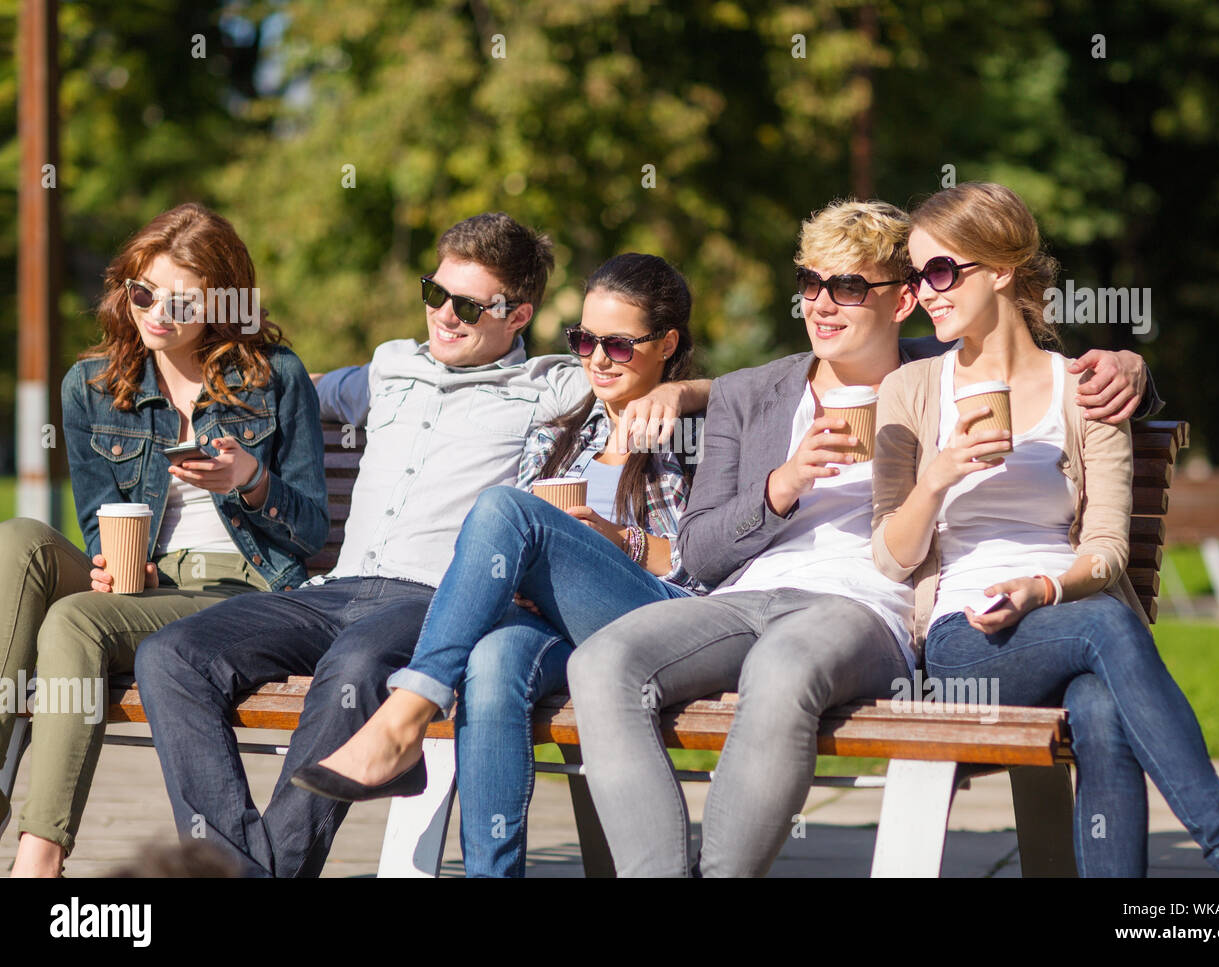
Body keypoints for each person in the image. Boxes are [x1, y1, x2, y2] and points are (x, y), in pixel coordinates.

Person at [565, 198, 1160, 876]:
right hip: (746, 596)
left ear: (905, 298)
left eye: (848, 286)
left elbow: (1038, 368)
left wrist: (1134, 368)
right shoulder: (751, 393)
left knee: (783, 665)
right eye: (810, 284)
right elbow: (698, 554)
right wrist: (779, 486)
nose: (821, 304)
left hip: (864, 607)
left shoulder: (946, 378)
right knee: (600, 665)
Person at [134, 215, 710, 877]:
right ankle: (236, 869)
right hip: (335, 590)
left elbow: (720, 387)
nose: (443, 314)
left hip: (432, 602)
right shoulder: (389, 366)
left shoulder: (556, 384)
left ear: (518, 314)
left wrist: (678, 388)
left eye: (468, 305)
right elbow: (284, 390)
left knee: (353, 669)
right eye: (434, 293)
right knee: (171, 654)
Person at [870, 181, 1219, 877]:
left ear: (1000, 270)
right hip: (963, 643)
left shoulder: (1087, 389)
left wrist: (1040, 588)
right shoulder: (911, 390)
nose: (927, 291)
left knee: (1100, 705)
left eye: (941, 270)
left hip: (1065, 612)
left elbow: (1107, 551)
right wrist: (937, 476)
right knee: (1107, 626)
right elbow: (891, 555)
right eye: (918, 276)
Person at [291, 253, 707, 877]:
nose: (595, 359)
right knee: (491, 659)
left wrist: (615, 541)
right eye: (584, 340)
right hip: (560, 627)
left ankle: (408, 712)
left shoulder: (699, 432)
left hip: (652, 619)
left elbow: (711, 565)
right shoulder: (561, 428)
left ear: (667, 343)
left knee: (506, 509)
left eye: (618, 346)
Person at [0, 203, 326, 877]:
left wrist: (250, 479)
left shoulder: (274, 379)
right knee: (19, 540)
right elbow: (98, 522)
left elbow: (311, 532)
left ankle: (39, 857)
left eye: (181, 300)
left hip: (241, 590)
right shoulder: (92, 388)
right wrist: (117, 568)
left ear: (223, 301)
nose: (156, 312)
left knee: (76, 621)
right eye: (143, 292)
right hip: (146, 582)